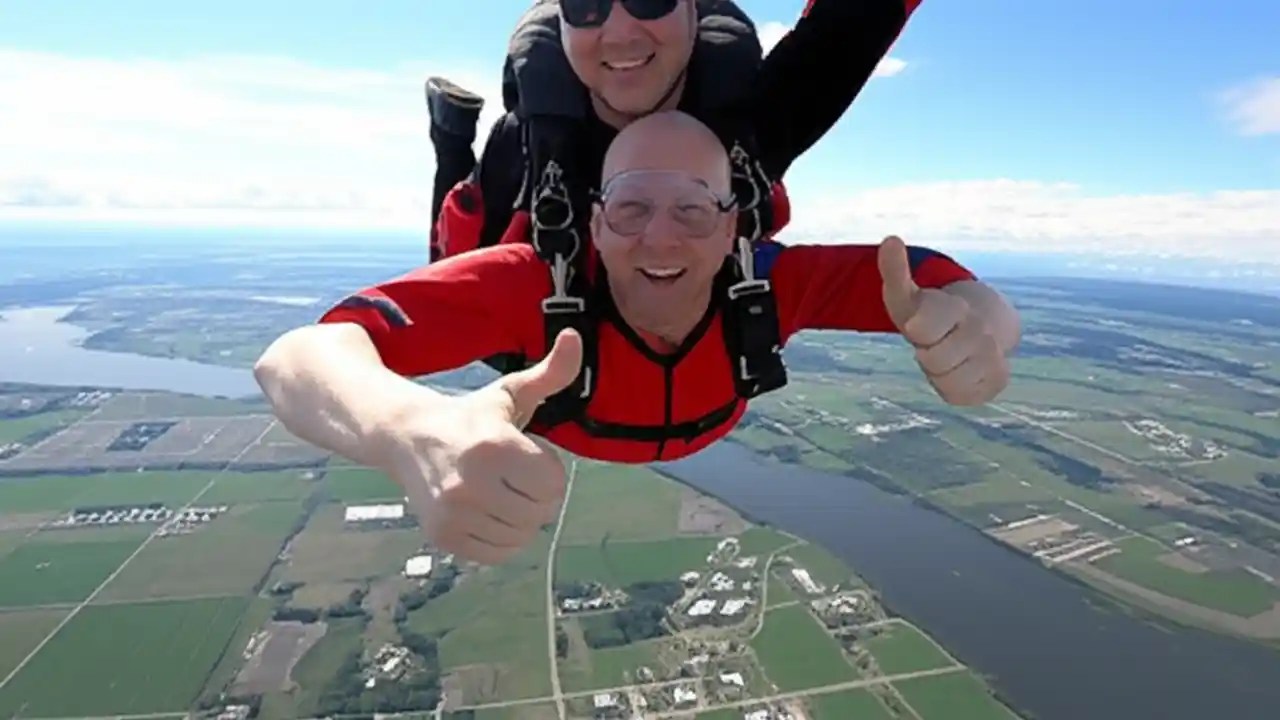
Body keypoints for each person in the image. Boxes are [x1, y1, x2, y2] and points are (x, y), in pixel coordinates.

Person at [254, 111, 1021, 565]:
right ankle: (455, 147)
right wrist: (407, 430)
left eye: (692, 211)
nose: (660, 241)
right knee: (454, 251)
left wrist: (983, 312)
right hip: (516, 282)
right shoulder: (532, 282)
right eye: (629, 210)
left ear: (731, 231)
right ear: (592, 224)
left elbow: (927, 282)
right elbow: (298, 356)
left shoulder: (769, 283)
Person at [428, 0, 924, 261]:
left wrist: (958, 300)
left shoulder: (745, 124)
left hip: (690, 402)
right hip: (552, 388)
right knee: (461, 221)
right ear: (561, 23)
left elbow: (859, 18)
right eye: (585, 4)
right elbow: (438, 277)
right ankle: (450, 133)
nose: (621, 33)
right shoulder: (528, 144)